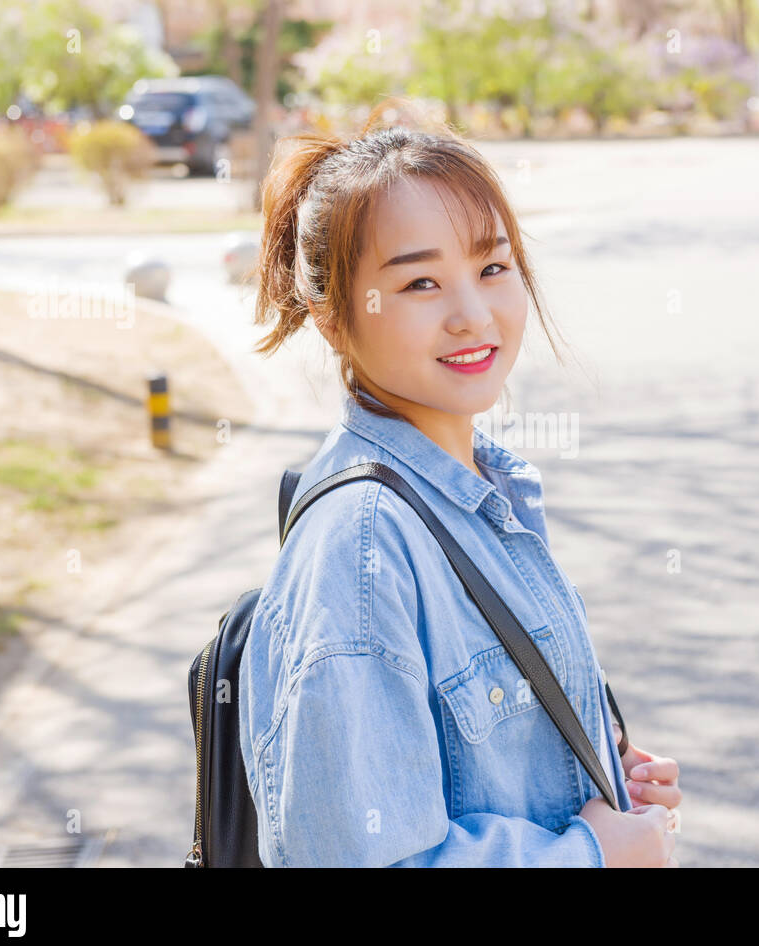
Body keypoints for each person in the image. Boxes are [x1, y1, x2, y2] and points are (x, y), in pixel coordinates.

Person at [237, 103, 682, 867]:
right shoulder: (363, 547)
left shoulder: (482, 492)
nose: (473, 315)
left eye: (491, 268)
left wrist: (595, 776)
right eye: (418, 285)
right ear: (332, 316)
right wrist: (590, 855)